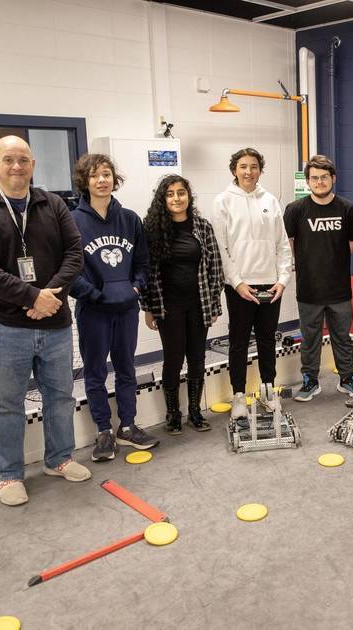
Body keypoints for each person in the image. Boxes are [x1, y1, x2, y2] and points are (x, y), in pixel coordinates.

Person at [0, 135, 90, 506]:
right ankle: (9, 474)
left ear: (32, 165)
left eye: (24, 160)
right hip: (2, 327)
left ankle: (59, 459)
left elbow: (74, 254)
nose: (17, 167)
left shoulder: (54, 204)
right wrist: (32, 297)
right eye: (9, 160)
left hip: (55, 324)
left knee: (60, 396)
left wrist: (49, 296)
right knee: (5, 402)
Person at [69, 154, 156, 462]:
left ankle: (128, 426)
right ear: (85, 181)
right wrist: (93, 294)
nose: (102, 180)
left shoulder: (130, 219)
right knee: (94, 372)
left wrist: (134, 287)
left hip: (127, 309)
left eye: (106, 174)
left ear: (114, 179)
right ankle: (104, 431)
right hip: (94, 310)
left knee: (126, 368)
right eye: (95, 176)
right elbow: (68, 270)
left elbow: (143, 263)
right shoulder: (72, 221)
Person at [209, 148, 293, 419]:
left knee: (268, 340)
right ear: (234, 169)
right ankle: (238, 397)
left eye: (254, 166)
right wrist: (237, 283)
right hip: (239, 287)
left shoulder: (270, 199)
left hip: (271, 285)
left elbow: (282, 244)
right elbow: (222, 249)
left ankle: (268, 392)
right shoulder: (222, 201)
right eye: (243, 166)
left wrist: (282, 280)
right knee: (239, 342)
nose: (249, 171)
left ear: (260, 169)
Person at [141, 174, 224, 434]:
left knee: (197, 359)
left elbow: (216, 269)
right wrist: (148, 308)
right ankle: (173, 414)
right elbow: (145, 272)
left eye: (181, 192)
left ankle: (196, 413)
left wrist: (213, 306)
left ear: (189, 196)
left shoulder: (202, 226)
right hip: (168, 307)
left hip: (199, 305)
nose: (177, 198)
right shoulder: (151, 230)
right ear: (162, 199)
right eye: (170, 194)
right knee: (173, 360)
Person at [284, 155, 353, 401]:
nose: (319, 182)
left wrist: (331, 255)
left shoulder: (348, 209)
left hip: (339, 289)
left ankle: (347, 379)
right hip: (309, 289)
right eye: (314, 178)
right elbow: (288, 242)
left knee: (343, 337)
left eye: (324, 177)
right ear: (308, 181)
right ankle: (310, 382)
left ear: (333, 179)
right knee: (310, 339)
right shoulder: (295, 209)